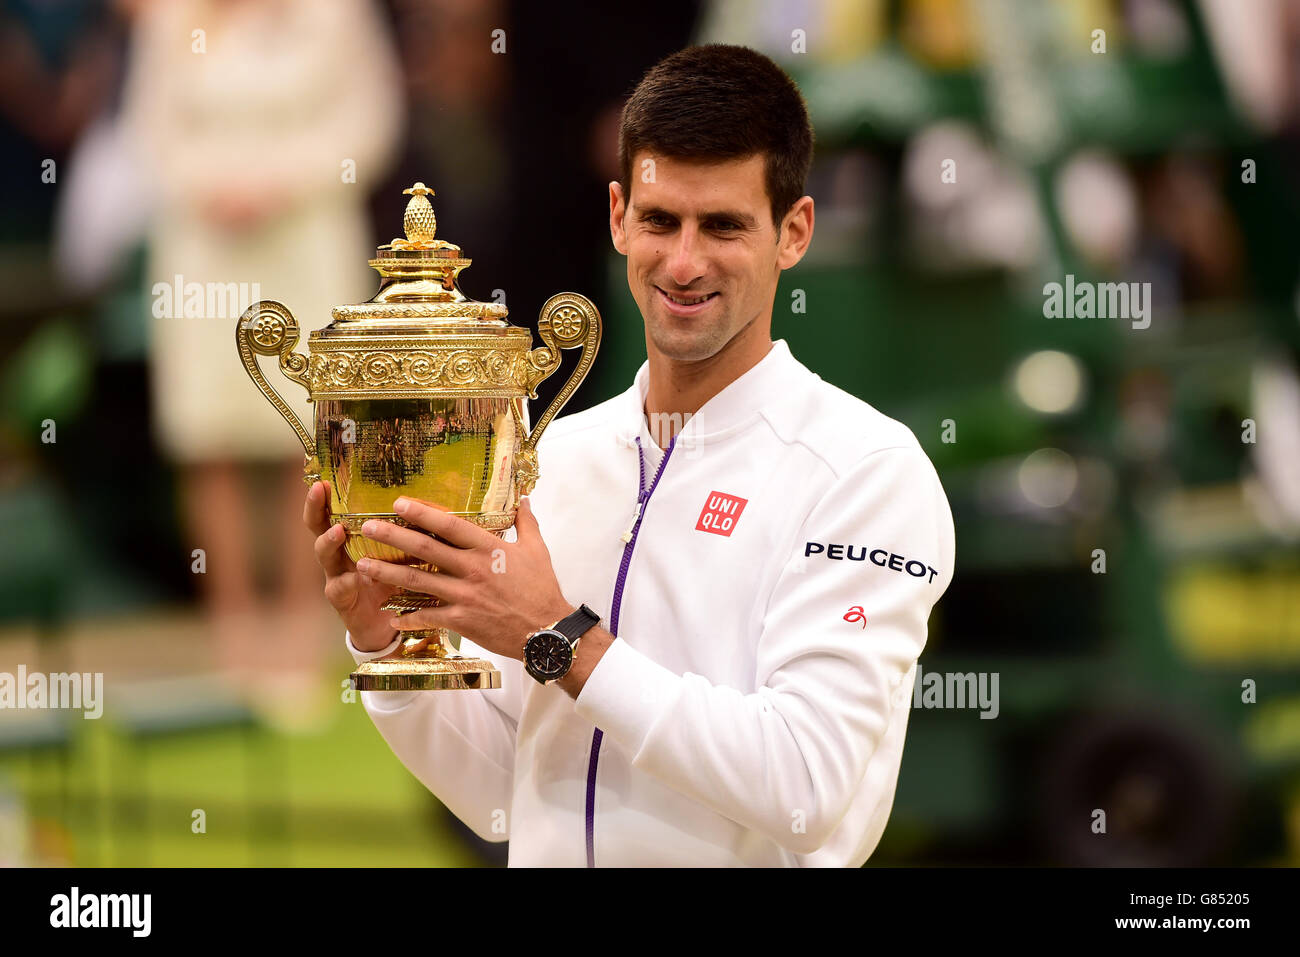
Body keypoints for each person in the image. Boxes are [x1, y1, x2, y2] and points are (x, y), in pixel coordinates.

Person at [304, 44, 955, 866]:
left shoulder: (866, 472)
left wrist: (558, 637)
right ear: (618, 217)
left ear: (794, 232)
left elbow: (803, 785)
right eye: (660, 220)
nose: (684, 263)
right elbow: (508, 788)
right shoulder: (552, 455)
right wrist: (385, 643)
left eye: (723, 225)